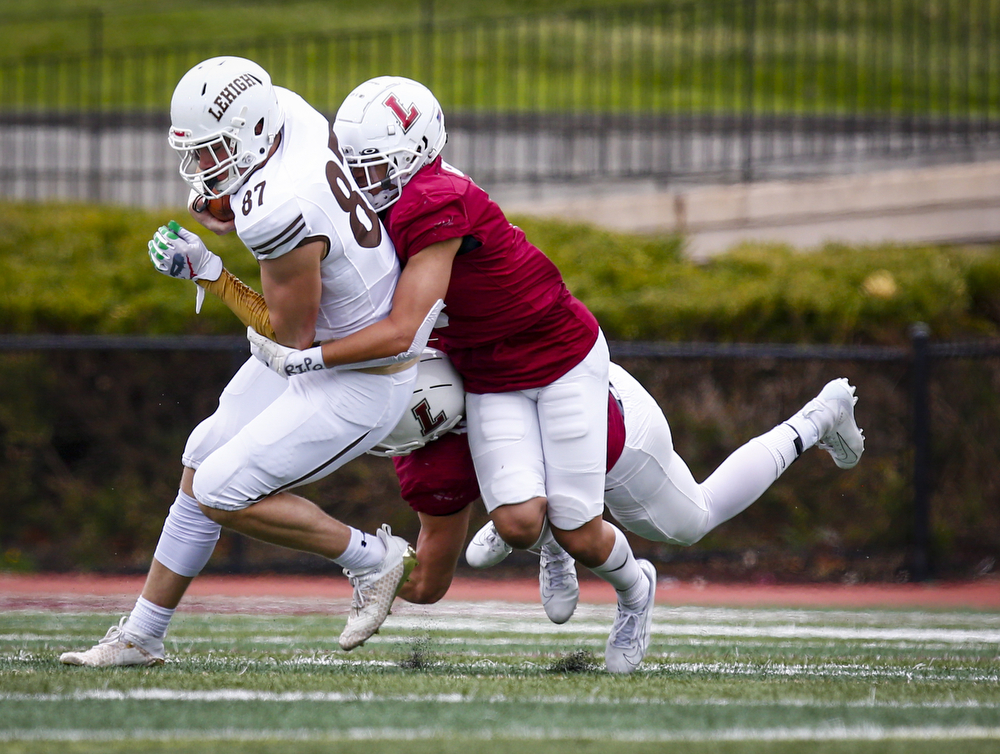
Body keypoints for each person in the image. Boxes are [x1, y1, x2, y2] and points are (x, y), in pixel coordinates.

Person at [246, 75, 655, 674]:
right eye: (355, 167)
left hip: (554, 355)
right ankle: (542, 536)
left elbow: (398, 329)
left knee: (613, 526)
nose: (364, 183)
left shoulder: (433, 200)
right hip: (480, 368)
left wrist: (307, 361)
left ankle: (634, 591)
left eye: (378, 166)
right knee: (517, 523)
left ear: (417, 153)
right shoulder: (385, 196)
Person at [59, 56, 432, 667]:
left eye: (212, 152)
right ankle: (141, 636)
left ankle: (373, 560)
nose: (201, 167)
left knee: (219, 490)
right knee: (201, 455)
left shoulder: (278, 207)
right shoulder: (283, 110)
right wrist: (231, 207)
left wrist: (209, 270)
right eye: (198, 152)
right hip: (340, 329)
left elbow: (290, 338)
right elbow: (266, 213)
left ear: (252, 132)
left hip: (359, 373)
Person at [369, 352, 864, 619]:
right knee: (512, 525)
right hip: (572, 409)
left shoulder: (475, 403)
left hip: (615, 434)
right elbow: (433, 569)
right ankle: (545, 535)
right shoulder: (433, 433)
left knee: (693, 520)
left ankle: (818, 418)